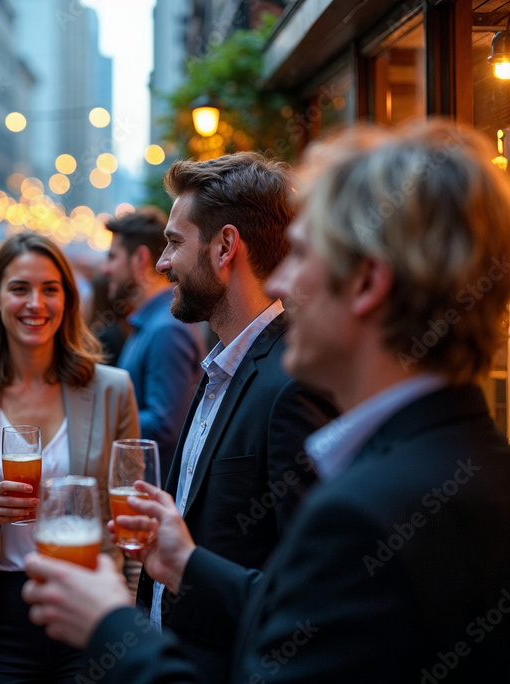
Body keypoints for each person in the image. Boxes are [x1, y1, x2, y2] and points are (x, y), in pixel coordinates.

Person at [23, 120, 510, 683]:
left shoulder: (366, 512)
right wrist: (186, 563)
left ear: (367, 284)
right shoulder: (470, 464)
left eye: (302, 255)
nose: (279, 283)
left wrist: (109, 624)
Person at [131, 152, 336, 681]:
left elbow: (308, 599)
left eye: (174, 242)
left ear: (225, 246)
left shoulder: (291, 385)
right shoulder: (224, 360)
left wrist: (183, 565)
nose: (161, 262)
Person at [0, 231, 139, 683]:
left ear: (68, 298)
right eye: (20, 289)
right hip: (0, 614)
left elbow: (133, 520)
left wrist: (130, 616)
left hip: (91, 605)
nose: (36, 304)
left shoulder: (112, 390)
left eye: (50, 289)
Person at [103, 207, 205, 478]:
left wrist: (98, 413)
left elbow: (165, 425)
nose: (106, 269)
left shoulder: (166, 330)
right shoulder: (152, 323)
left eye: (112, 257)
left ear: (140, 259)